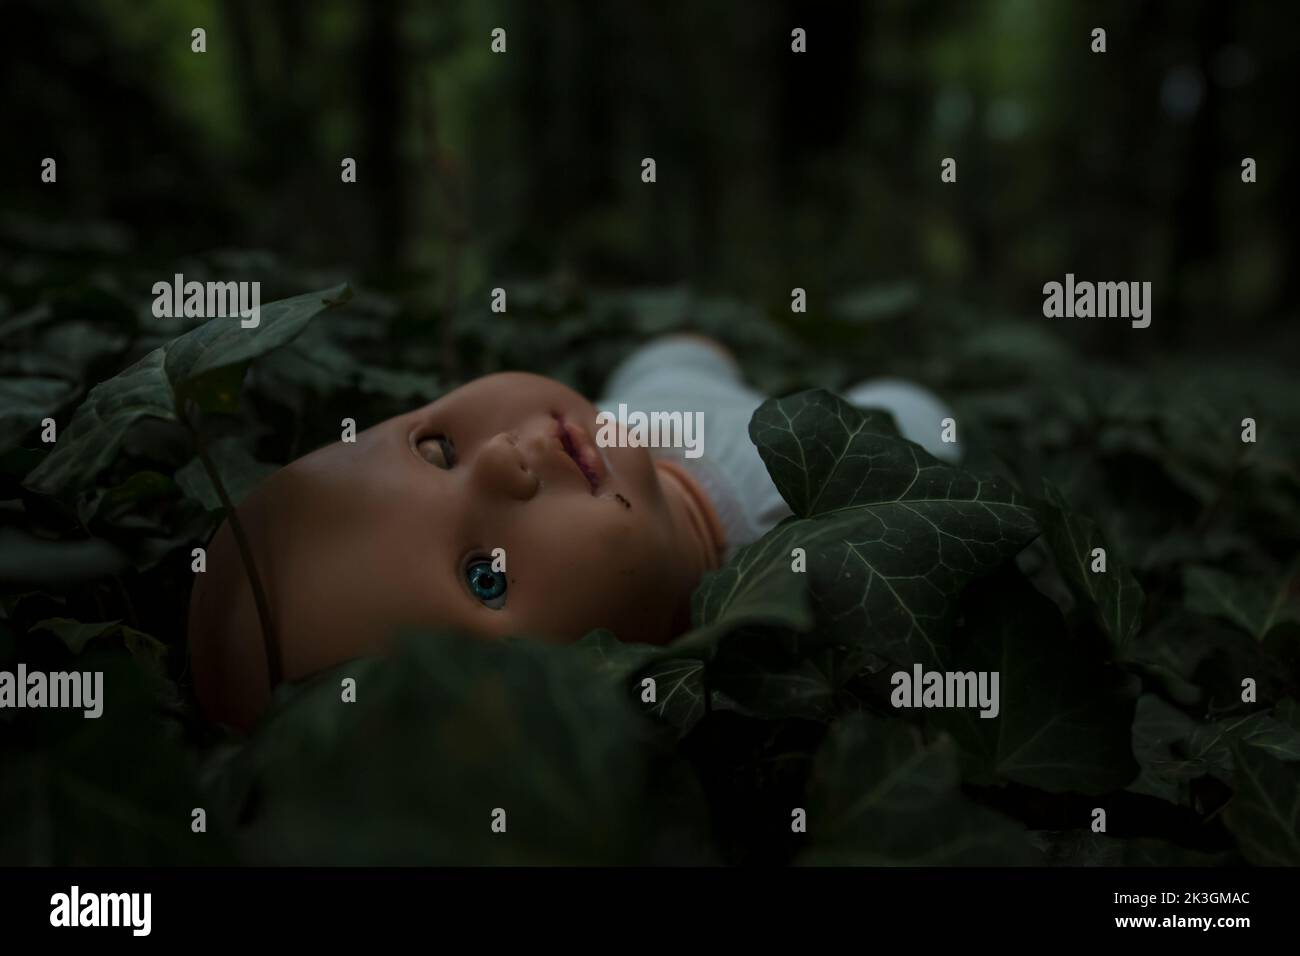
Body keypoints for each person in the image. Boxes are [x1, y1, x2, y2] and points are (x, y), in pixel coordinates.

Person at [187, 335, 958, 730]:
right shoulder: (806, 549)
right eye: (484, 576)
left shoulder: (596, 426)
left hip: (660, 399)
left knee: (673, 358)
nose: (497, 462)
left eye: (436, 449)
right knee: (912, 414)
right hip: (839, 444)